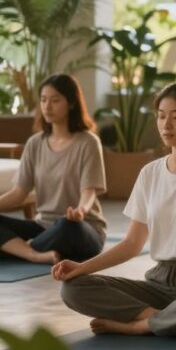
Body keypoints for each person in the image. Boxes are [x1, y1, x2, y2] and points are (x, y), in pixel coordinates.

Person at [54, 82, 176, 343]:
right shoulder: (150, 173)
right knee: (73, 289)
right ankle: (165, 319)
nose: (166, 125)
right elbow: (132, 243)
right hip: (159, 283)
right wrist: (81, 267)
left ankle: (137, 326)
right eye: (161, 116)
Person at [0, 74, 107, 263]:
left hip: (80, 228)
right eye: (43, 100)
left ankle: (17, 248)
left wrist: (80, 211)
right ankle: (34, 254)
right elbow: (18, 194)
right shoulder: (35, 143)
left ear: (71, 103)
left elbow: (89, 191)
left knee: (67, 226)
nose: (47, 107)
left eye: (55, 100)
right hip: (44, 227)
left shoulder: (88, 142)